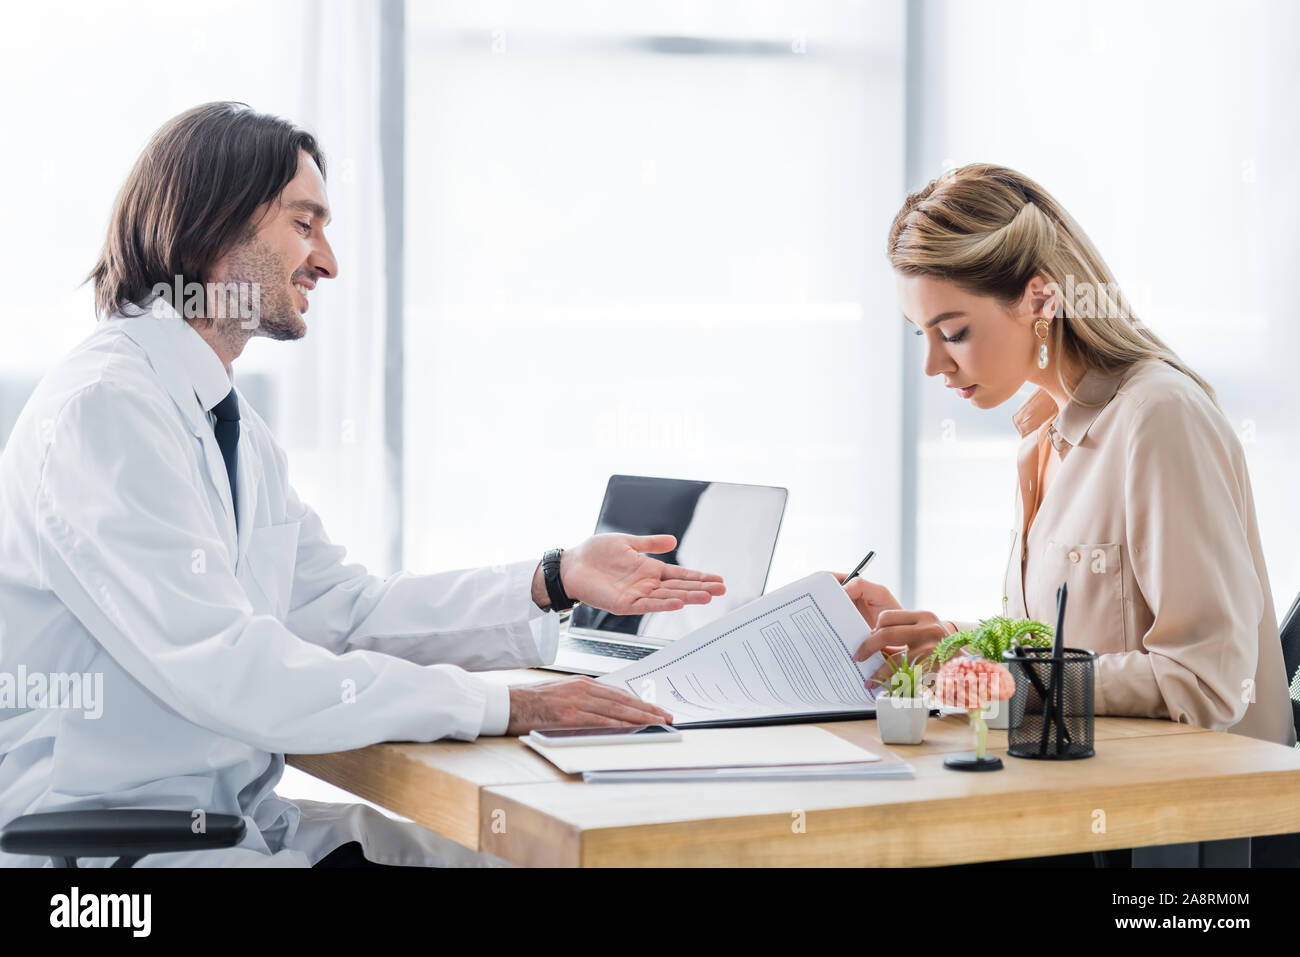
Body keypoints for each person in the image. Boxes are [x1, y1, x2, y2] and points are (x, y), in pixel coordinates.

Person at [0, 102, 724, 867]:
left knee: (517, 859)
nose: (328, 262)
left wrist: (552, 578)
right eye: (304, 224)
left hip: (224, 825)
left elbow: (341, 612)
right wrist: (506, 704)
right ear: (212, 227)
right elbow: (232, 667)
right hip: (112, 852)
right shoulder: (105, 410)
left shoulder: (222, 418)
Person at [845, 163, 1294, 753]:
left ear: (1041, 300)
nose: (933, 365)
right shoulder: (1041, 432)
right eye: (919, 334)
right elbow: (1070, 646)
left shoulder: (1158, 417)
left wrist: (994, 673)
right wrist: (946, 643)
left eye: (952, 332)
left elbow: (1205, 682)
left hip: (1182, 824)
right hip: (1079, 791)